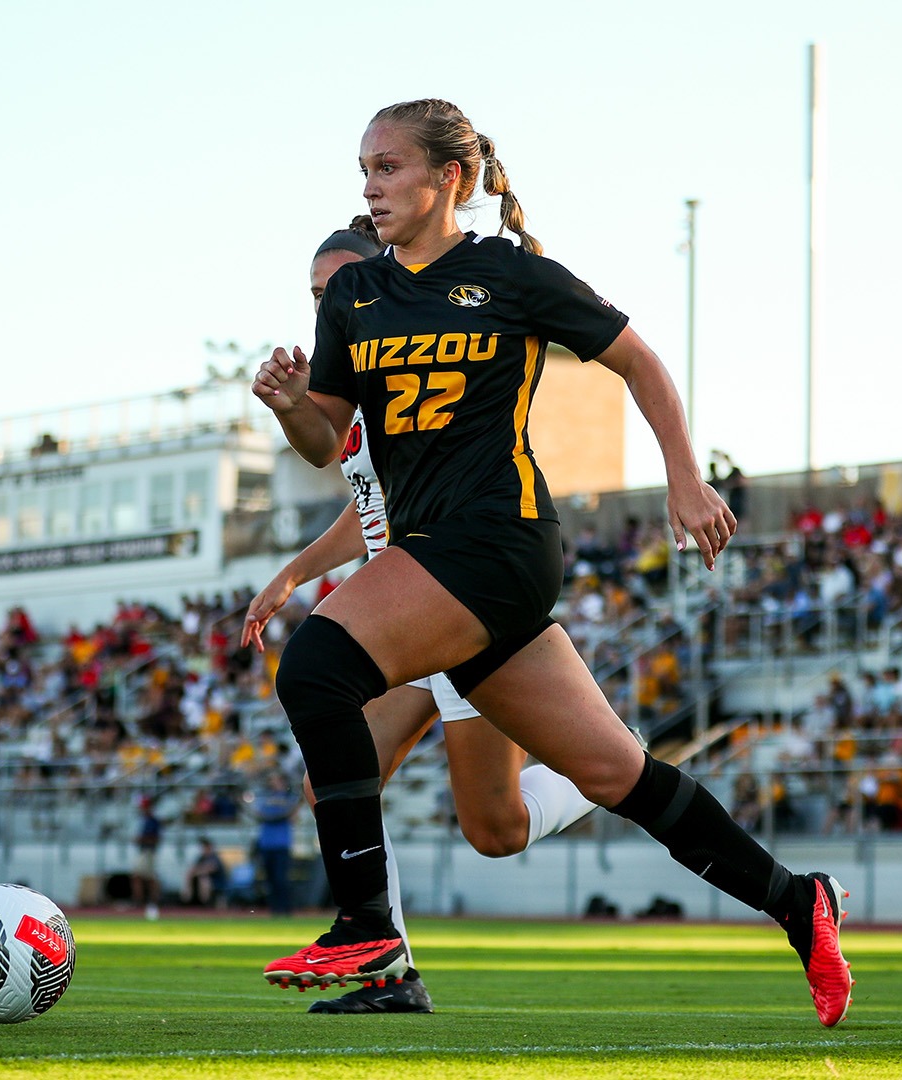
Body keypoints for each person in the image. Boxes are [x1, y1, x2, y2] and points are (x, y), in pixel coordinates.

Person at [251, 99, 851, 1026]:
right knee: (616, 778)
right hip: (436, 562)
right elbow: (326, 443)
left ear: (450, 177)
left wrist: (684, 478)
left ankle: (368, 928)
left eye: (388, 167)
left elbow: (640, 362)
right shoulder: (356, 294)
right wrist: (292, 403)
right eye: (364, 170)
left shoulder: (510, 274)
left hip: (497, 541)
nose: (371, 187)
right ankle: (796, 902)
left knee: (317, 668)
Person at [240, 215, 602, 1014]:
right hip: (401, 621)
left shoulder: (412, 366)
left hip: (452, 605)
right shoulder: (349, 380)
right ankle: (390, 972)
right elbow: (367, 506)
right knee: (334, 783)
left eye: (337, 287)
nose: (327, 303)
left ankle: (611, 763)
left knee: (496, 829)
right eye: (315, 293)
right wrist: (295, 572)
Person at [251, 771, 299, 917]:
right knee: (270, 879)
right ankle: (275, 908)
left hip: (280, 844)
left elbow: (284, 815)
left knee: (280, 878)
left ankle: (285, 908)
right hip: (267, 844)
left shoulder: (288, 798)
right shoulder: (267, 797)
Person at [132, 796, 163, 921]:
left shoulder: (152, 821)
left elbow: (155, 839)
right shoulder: (145, 821)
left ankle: (150, 902)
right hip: (144, 852)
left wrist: (141, 839)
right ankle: (144, 902)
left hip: (148, 852)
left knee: (148, 878)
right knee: (141, 877)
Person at [185, 836, 227, 908]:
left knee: (203, 878)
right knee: (189, 875)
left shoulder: (214, 857)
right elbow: (193, 869)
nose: (203, 849)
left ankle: (205, 904)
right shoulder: (200, 858)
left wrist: (196, 872)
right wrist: (191, 874)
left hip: (216, 882)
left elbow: (210, 869)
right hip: (200, 882)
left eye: (204, 847)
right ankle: (187, 901)